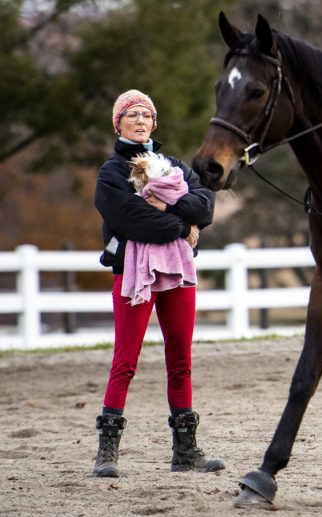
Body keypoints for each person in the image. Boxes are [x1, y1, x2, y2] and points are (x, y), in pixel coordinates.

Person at [92, 89, 224, 477]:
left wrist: (168, 207)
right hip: (133, 272)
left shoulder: (174, 165)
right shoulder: (111, 173)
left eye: (146, 114)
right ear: (118, 124)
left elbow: (205, 205)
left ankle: (185, 453)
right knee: (125, 361)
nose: (140, 120)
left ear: (154, 122)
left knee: (180, 359)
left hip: (176, 273)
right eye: (131, 114)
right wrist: (183, 227)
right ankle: (107, 453)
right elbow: (131, 219)